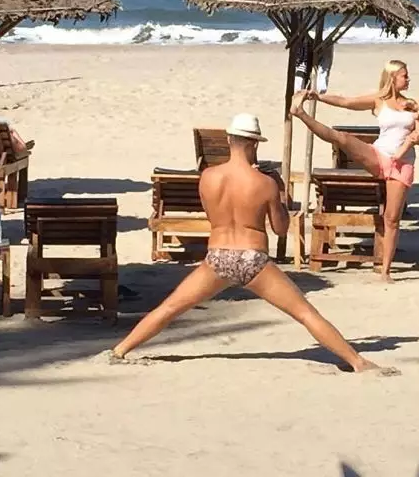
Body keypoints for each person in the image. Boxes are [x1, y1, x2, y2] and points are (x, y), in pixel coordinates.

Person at [110, 113, 397, 375]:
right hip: (253, 259)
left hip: (218, 256)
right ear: (254, 145)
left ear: (229, 140)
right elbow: (281, 228)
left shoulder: (208, 177)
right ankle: (358, 362)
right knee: (305, 313)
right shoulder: (265, 183)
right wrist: (280, 193)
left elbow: (214, 218)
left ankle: (121, 350)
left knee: (170, 307)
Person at [290, 60, 419, 282]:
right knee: (343, 138)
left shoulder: (412, 104)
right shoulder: (378, 99)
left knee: (391, 219)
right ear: (392, 77)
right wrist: (318, 96)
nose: (408, 79)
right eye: (404, 76)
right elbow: (346, 101)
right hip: (379, 156)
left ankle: (385, 271)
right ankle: (300, 113)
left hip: (402, 164)